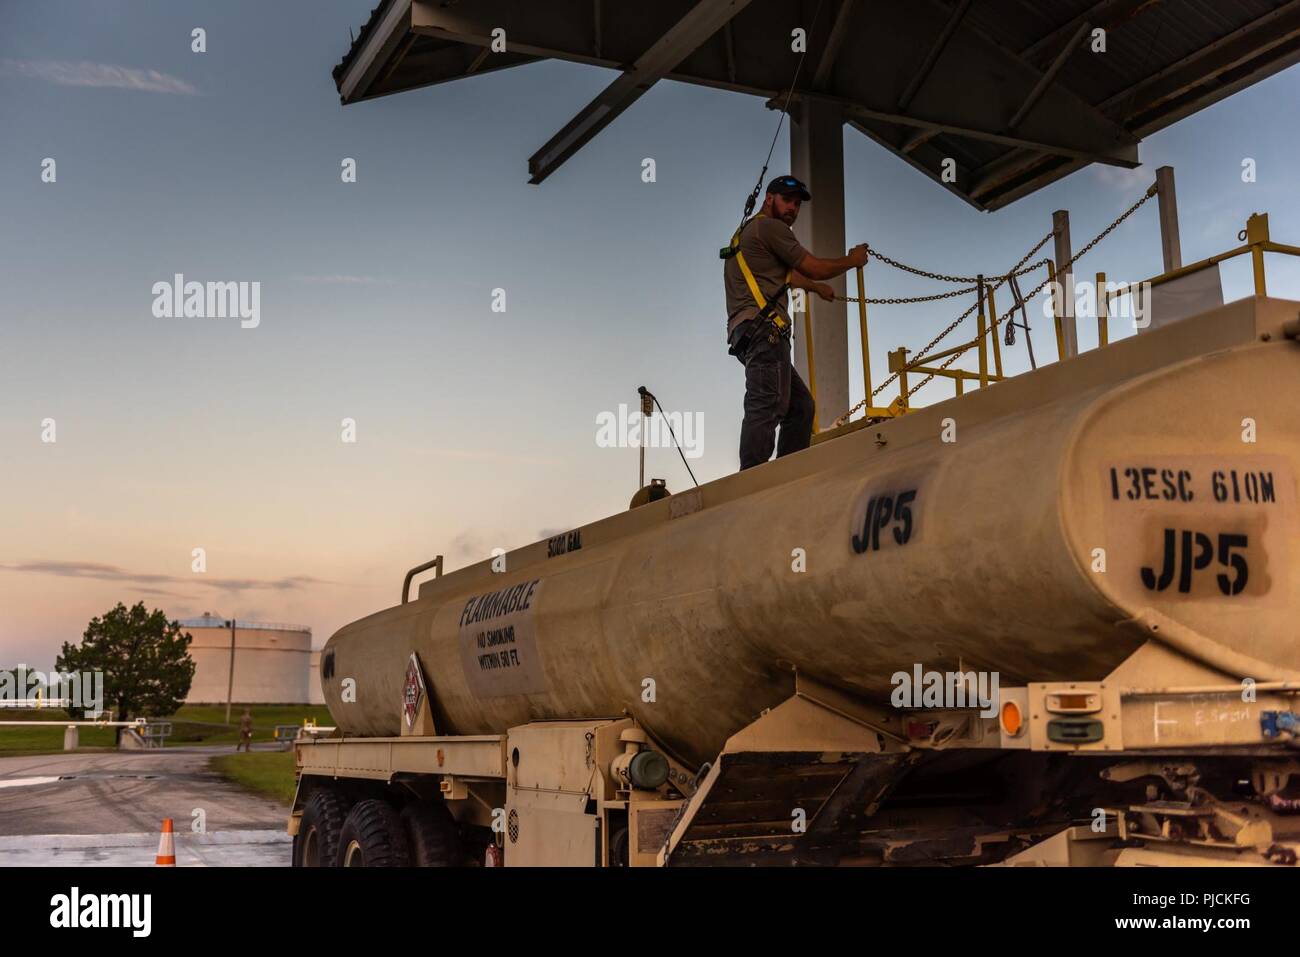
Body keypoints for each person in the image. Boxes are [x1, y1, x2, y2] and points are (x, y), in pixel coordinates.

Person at [723, 175, 869, 470]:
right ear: (769, 199)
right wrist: (851, 260)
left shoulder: (749, 232)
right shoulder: (772, 228)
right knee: (767, 404)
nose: (792, 208)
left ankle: (786, 473)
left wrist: (814, 288)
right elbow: (812, 267)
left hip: (748, 331)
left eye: (797, 204)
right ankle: (752, 479)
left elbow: (786, 276)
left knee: (800, 407)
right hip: (766, 332)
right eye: (787, 200)